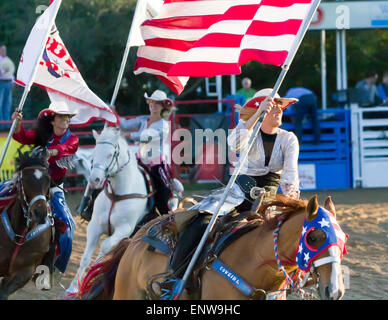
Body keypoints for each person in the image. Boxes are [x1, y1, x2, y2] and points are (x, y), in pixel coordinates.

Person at [152, 88, 300, 299]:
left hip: (270, 200)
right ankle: (174, 279)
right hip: (238, 195)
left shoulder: (289, 139)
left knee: (294, 233)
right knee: (200, 222)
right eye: (274, 106)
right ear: (261, 109)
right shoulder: (249, 132)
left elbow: (290, 175)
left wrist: (290, 200)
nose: (279, 110)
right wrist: (255, 116)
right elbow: (233, 143)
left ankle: (292, 284)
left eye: (280, 107)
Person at [10, 101, 79, 274]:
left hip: (54, 187)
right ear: (52, 120)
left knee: (67, 225)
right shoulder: (42, 134)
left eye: (67, 117)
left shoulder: (73, 139)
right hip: (33, 182)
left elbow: (66, 148)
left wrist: (51, 152)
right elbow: (22, 137)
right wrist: (17, 123)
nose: (65, 120)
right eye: (61, 116)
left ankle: (54, 264)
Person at [120, 89, 173, 216]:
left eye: (157, 103)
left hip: (156, 165)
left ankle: (165, 215)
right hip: (140, 161)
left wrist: (127, 134)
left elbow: (146, 136)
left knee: (162, 190)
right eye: (151, 102)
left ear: (162, 107)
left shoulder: (164, 125)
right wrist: (111, 113)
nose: (153, 106)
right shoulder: (143, 119)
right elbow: (124, 123)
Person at [0, 44, 15, 130]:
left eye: (5, 50)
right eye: (2, 50)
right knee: (0, 104)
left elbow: (11, 72)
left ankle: (6, 126)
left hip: (8, 83)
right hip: (1, 83)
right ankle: (1, 126)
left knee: (7, 104)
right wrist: (3, 71)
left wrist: (12, 82)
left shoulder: (7, 60)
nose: (4, 51)